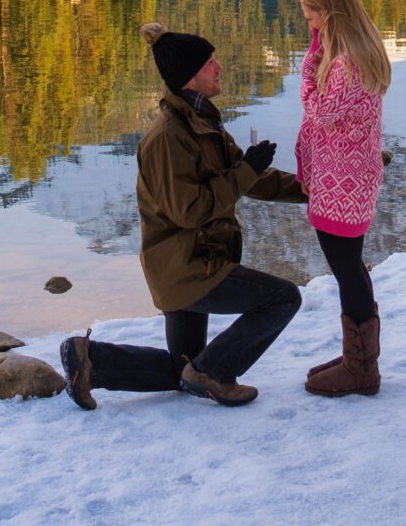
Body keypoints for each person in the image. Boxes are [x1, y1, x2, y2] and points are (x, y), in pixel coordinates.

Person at [61, 20, 307, 410]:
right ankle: (213, 375)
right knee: (283, 298)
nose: (219, 67)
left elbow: (245, 181)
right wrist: (246, 170)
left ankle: (91, 362)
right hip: (188, 268)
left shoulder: (200, 124)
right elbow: (189, 211)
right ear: (190, 77)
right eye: (211, 62)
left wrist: (313, 189)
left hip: (191, 262)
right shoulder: (167, 138)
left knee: (185, 369)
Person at [295, 0, 391, 397]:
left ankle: (361, 369)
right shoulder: (359, 52)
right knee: (350, 266)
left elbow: (321, 113)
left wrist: (308, 68)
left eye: (310, 13)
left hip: (343, 181)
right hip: (352, 174)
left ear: (327, 12)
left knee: (347, 268)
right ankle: (359, 358)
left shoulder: (347, 62)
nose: (308, 22)